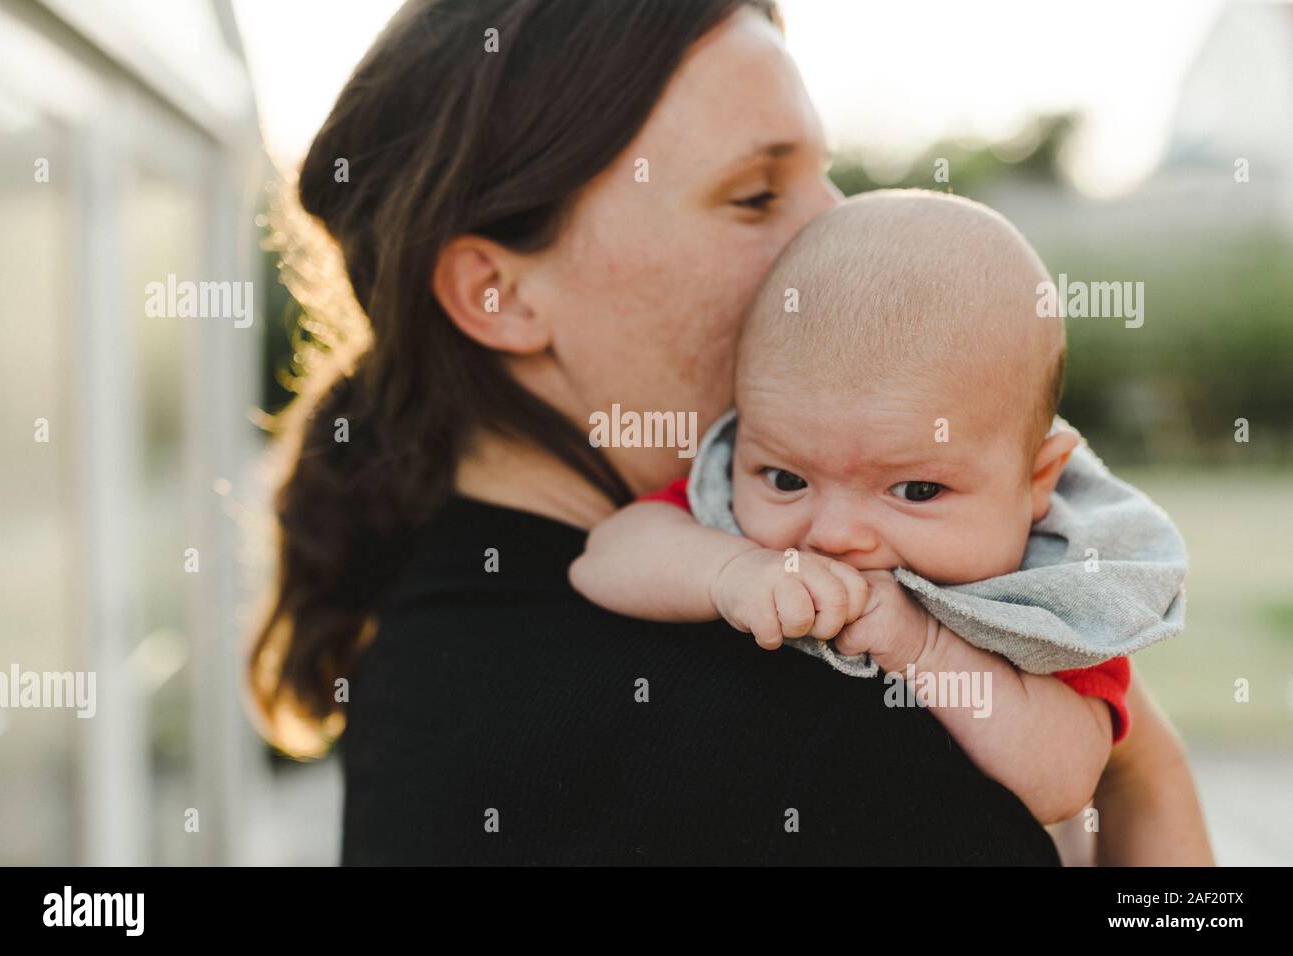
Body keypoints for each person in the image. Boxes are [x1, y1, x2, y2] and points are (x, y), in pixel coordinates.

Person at [249, 0, 1211, 865]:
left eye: (822, 181)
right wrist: (1143, 770)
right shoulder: (843, 757)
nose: (835, 234)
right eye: (755, 195)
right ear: (498, 292)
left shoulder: (423, 614)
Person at [570, 189, 1187, 831]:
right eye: (786, 479)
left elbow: (1059, 782)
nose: (834, 535)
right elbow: (603, 559)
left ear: (1037, 481)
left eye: (916, 491)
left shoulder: (1057, 592)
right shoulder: (734, 526)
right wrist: (727, 572)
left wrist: (924, 647)